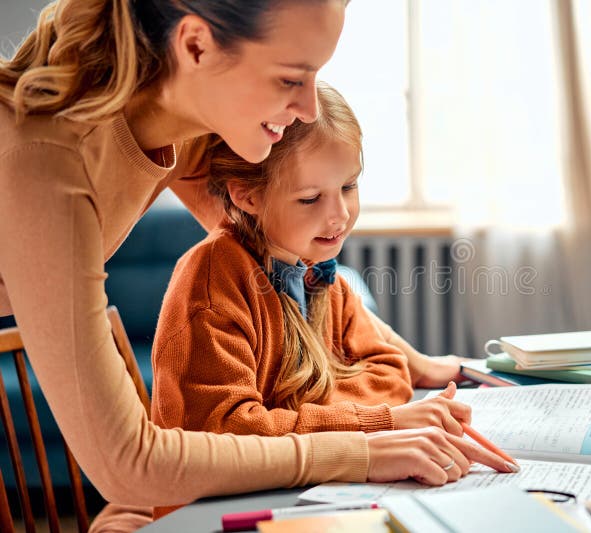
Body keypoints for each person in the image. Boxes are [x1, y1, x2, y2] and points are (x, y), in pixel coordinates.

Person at [0, 0, 517, 526]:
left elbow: (284, 262)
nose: (309, 108)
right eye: (291, 78)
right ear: (196, 45)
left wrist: (414, 362)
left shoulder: (180, 126)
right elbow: (129, 464)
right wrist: (363, 448)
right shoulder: (45, 167)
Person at [150, 81, 482, 517]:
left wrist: (290, 417)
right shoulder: (213, 282)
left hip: (303, 494)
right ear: (247, 195)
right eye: (310, 198)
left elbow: (390, 373)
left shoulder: (318, 271)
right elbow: (226, 436)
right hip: (214, 513)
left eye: (349, 186)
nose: (340, 215)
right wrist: (377, 421)